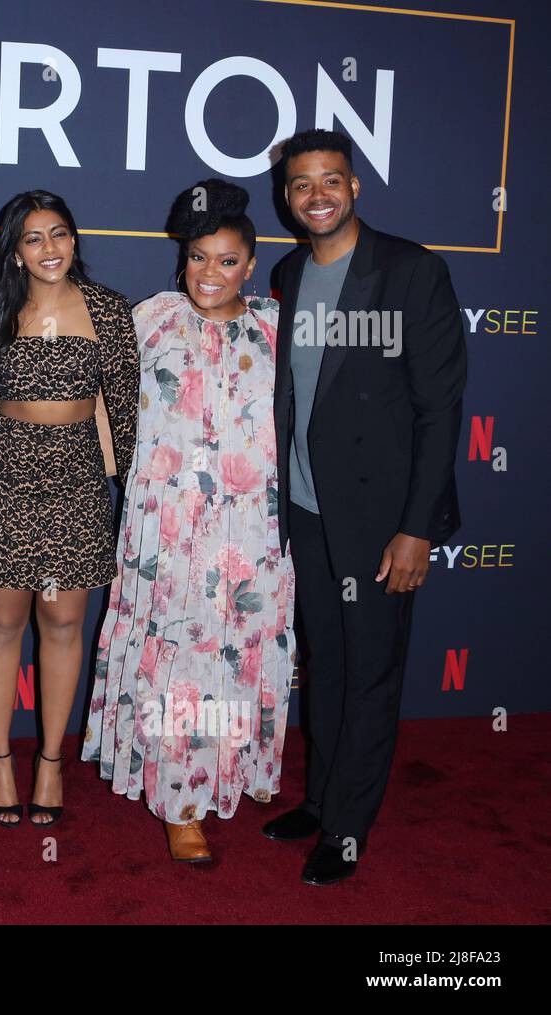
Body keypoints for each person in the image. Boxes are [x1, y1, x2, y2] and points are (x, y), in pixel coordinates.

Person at [261, 129, 466, 885]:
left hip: (384, 522)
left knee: (372, 673)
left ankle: (347, 829)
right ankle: (320, 801)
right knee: (331, 666)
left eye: (331, 181)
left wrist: (416, 528)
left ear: (356, 187)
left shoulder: (409, 271)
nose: (317, 195)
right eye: (301, 184)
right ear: (287, 196)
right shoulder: (287, 270)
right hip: (310, 511)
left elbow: (439, 411)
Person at [81, 180, 295, 862]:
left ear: (250, 264)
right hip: (170, 531)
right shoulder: (154, 319)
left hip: (255, 529)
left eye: (226, 260)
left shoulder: (275, 329)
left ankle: (237, 765)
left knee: (239, 651)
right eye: (199, 257)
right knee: (181, 660)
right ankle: (182, 799)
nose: (210, 273)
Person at [0, 191, 138, 827]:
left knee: (62, 624)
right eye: (34, 238)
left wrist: (133, 490)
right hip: (5, 472)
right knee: (0, 625)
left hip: (78, 479)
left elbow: (129, 411)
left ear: (75, 240)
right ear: (15, 251)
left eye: (59, 234)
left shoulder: (107, 310)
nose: (49, 248)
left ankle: (50, 761)